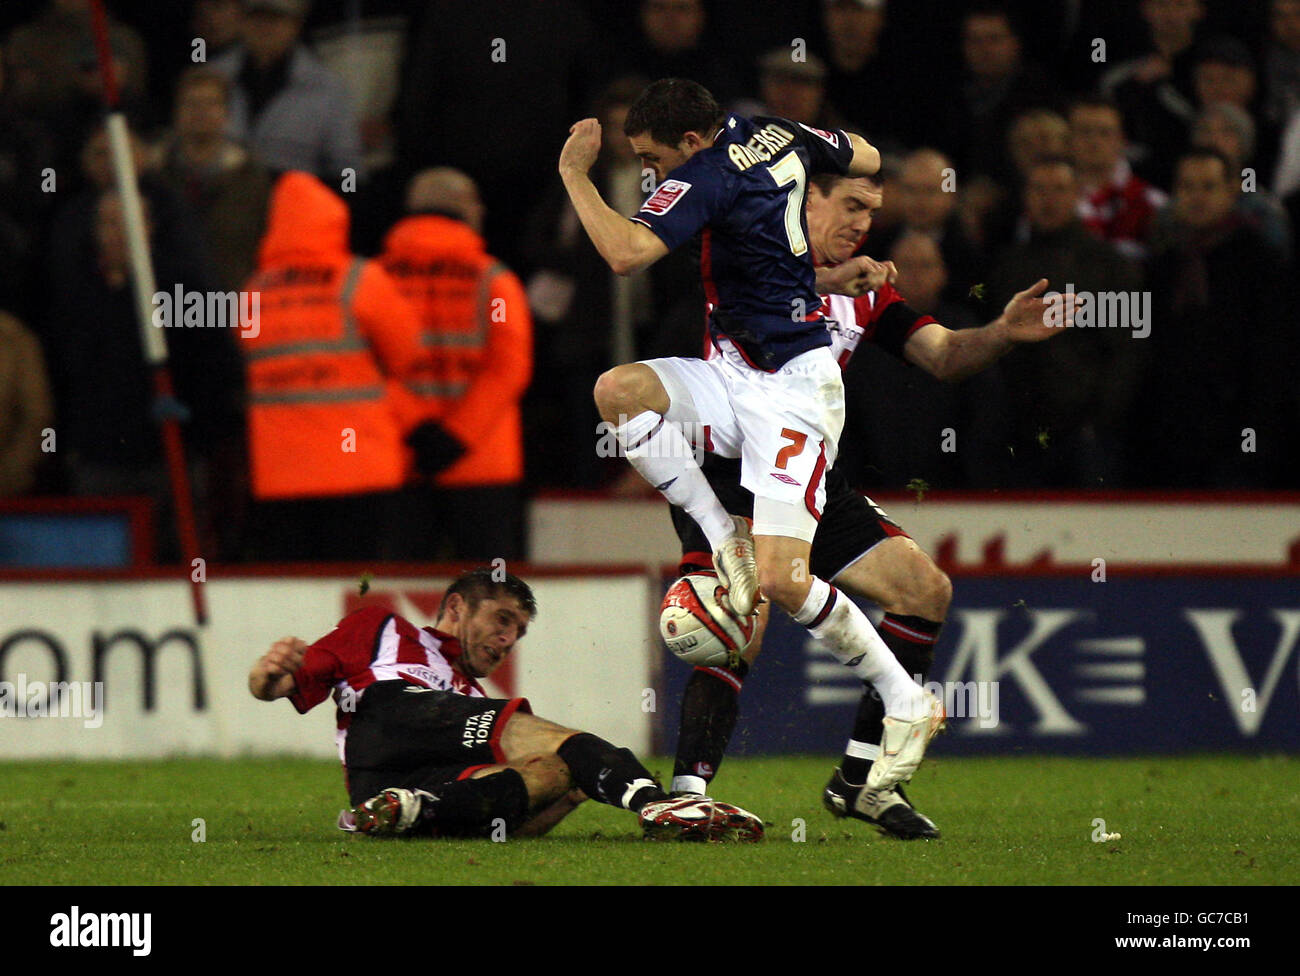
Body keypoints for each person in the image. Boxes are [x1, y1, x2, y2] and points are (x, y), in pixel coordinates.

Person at [561, 77, 941, 795]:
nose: (652, 174)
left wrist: (575, 175)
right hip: (737, 372)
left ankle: (906, 699)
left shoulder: (704, 173)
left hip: (795, 391)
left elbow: (622, 253)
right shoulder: (778, 131)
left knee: (783, 583)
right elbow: (864, 154)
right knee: (619, 392)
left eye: (653, 158)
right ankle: (720, 532)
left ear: (693, 141)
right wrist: (821, 271)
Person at [665, 173, 1066, 838]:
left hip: (808, 476)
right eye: (850, 205)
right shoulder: (747, 257)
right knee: (741, 618)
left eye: (871, 212)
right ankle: (686, 793)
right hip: (728, 474)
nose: (862, 222)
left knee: (922, 590)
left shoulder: (868, 291)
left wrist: (998, 332)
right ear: (805, 200)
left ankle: (863, 781)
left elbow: (941, 355)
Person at [247, 567, 764, 841]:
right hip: (388, 713)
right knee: (545, 736)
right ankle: (659, 804)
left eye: (516, 632)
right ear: (455, 606)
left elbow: (509, 821)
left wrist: (570, 791)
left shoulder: (472, 699)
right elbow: (289, 682)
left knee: (555, 769)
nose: (506, 639)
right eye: (501, 619)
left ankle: (409, 813)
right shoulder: (385, 627)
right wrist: (266, 678)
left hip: (385, 789)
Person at [378, 168, 532, 561]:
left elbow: (367, 367)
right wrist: (457, 436)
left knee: (395, 598)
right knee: (492, 603)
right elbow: (509, 367)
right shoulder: (493, 279)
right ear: (463, 207)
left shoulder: (373, 280)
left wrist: (417, 428)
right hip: (483, 463)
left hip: (398, 460)